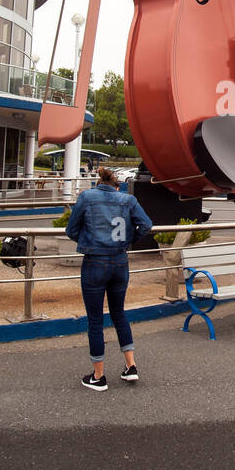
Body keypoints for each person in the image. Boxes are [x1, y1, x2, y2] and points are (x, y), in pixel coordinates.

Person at [65, 164, 153, 391]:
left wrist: (88, 240)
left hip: (95, 261)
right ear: (116, 186)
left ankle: (98, 376)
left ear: (99, 183)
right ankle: (130, 366)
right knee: (119, 314)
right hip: (120, 261)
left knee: (95, 319)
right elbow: (146, 225)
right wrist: (127, 240)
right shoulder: (128, 200)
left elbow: (71, 230)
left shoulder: (87, 197)